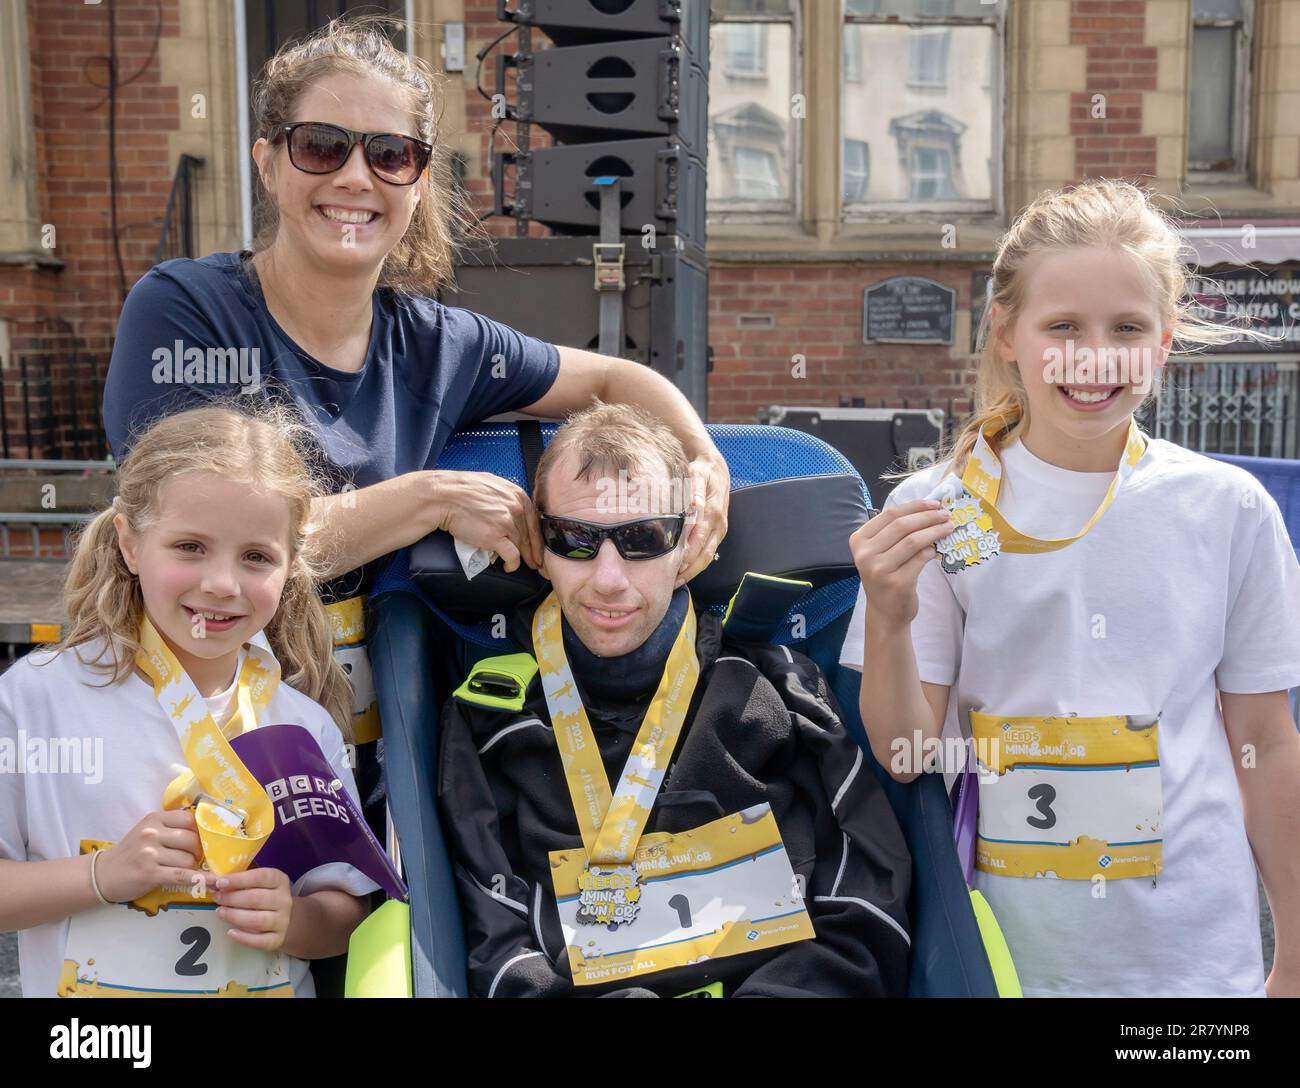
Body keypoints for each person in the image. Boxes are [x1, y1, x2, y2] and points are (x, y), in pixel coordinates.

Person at [101, 17, 729, 771]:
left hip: (366, 742)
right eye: (321, 146)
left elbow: (612, 377)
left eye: (391, 154)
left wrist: (702, 461)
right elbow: (219, 542)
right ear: (268, 163)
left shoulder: (439, 343)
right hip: (188, 728)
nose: (356, 178)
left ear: (419, 180)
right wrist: (428, 499)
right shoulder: (186, 310)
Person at [841, 179, 1300, 998]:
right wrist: (888, 615)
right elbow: (904, 753)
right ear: (1007, 334)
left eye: (1127, 328)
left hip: (1192, 965)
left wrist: (1294, 953)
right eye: (1063, 327)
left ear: (1164, 344)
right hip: (1004, 956)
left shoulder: (1229, 509)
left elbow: (1264, 743)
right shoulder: (935, 510)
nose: (1095, 356)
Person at [438, 402, 911, 997]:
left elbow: (865, 910)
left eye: (642, 539)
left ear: (689, 540)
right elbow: (494, 950)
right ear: (540, 543)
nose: (609, 578)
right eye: (576, 539)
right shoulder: (488, 719)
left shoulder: (783, 692)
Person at [0, 406, 377, 997]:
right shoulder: (34, 699)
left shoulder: (304, 727)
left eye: (256, 556)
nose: (222, 583)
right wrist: (104, 874)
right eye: (190, 547)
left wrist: (294, 921)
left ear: (290, 564)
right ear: (129, 543)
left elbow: (347, 910)